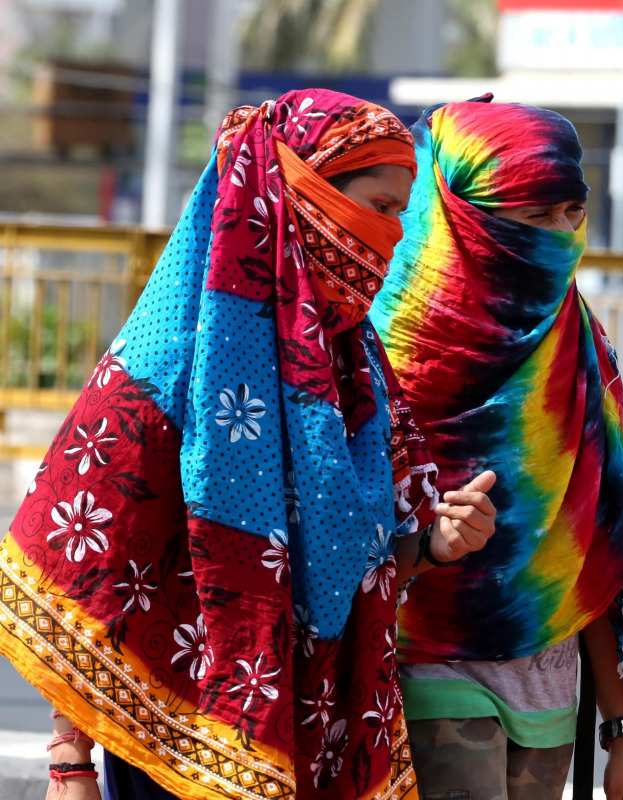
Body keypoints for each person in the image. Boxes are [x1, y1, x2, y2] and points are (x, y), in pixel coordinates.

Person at [0, 89, 498, 800]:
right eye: (380, 208)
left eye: (401, 214)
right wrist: (69, 761)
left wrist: (441, 541)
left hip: (317, 739)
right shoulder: (172, 362)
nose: (391, 237)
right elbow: (87, 565)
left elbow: (365, 566)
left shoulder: (357, 373)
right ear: (301, 196)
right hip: (171, 749)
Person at [371, 96, 623, 800]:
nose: (560, 240)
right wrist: (427, 543)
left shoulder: (573, 347)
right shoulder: (382, 352)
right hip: (425, 661)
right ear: (467, 217)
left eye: (572, 216)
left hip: (548, 681)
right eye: (533, 218)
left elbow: (597, 548)